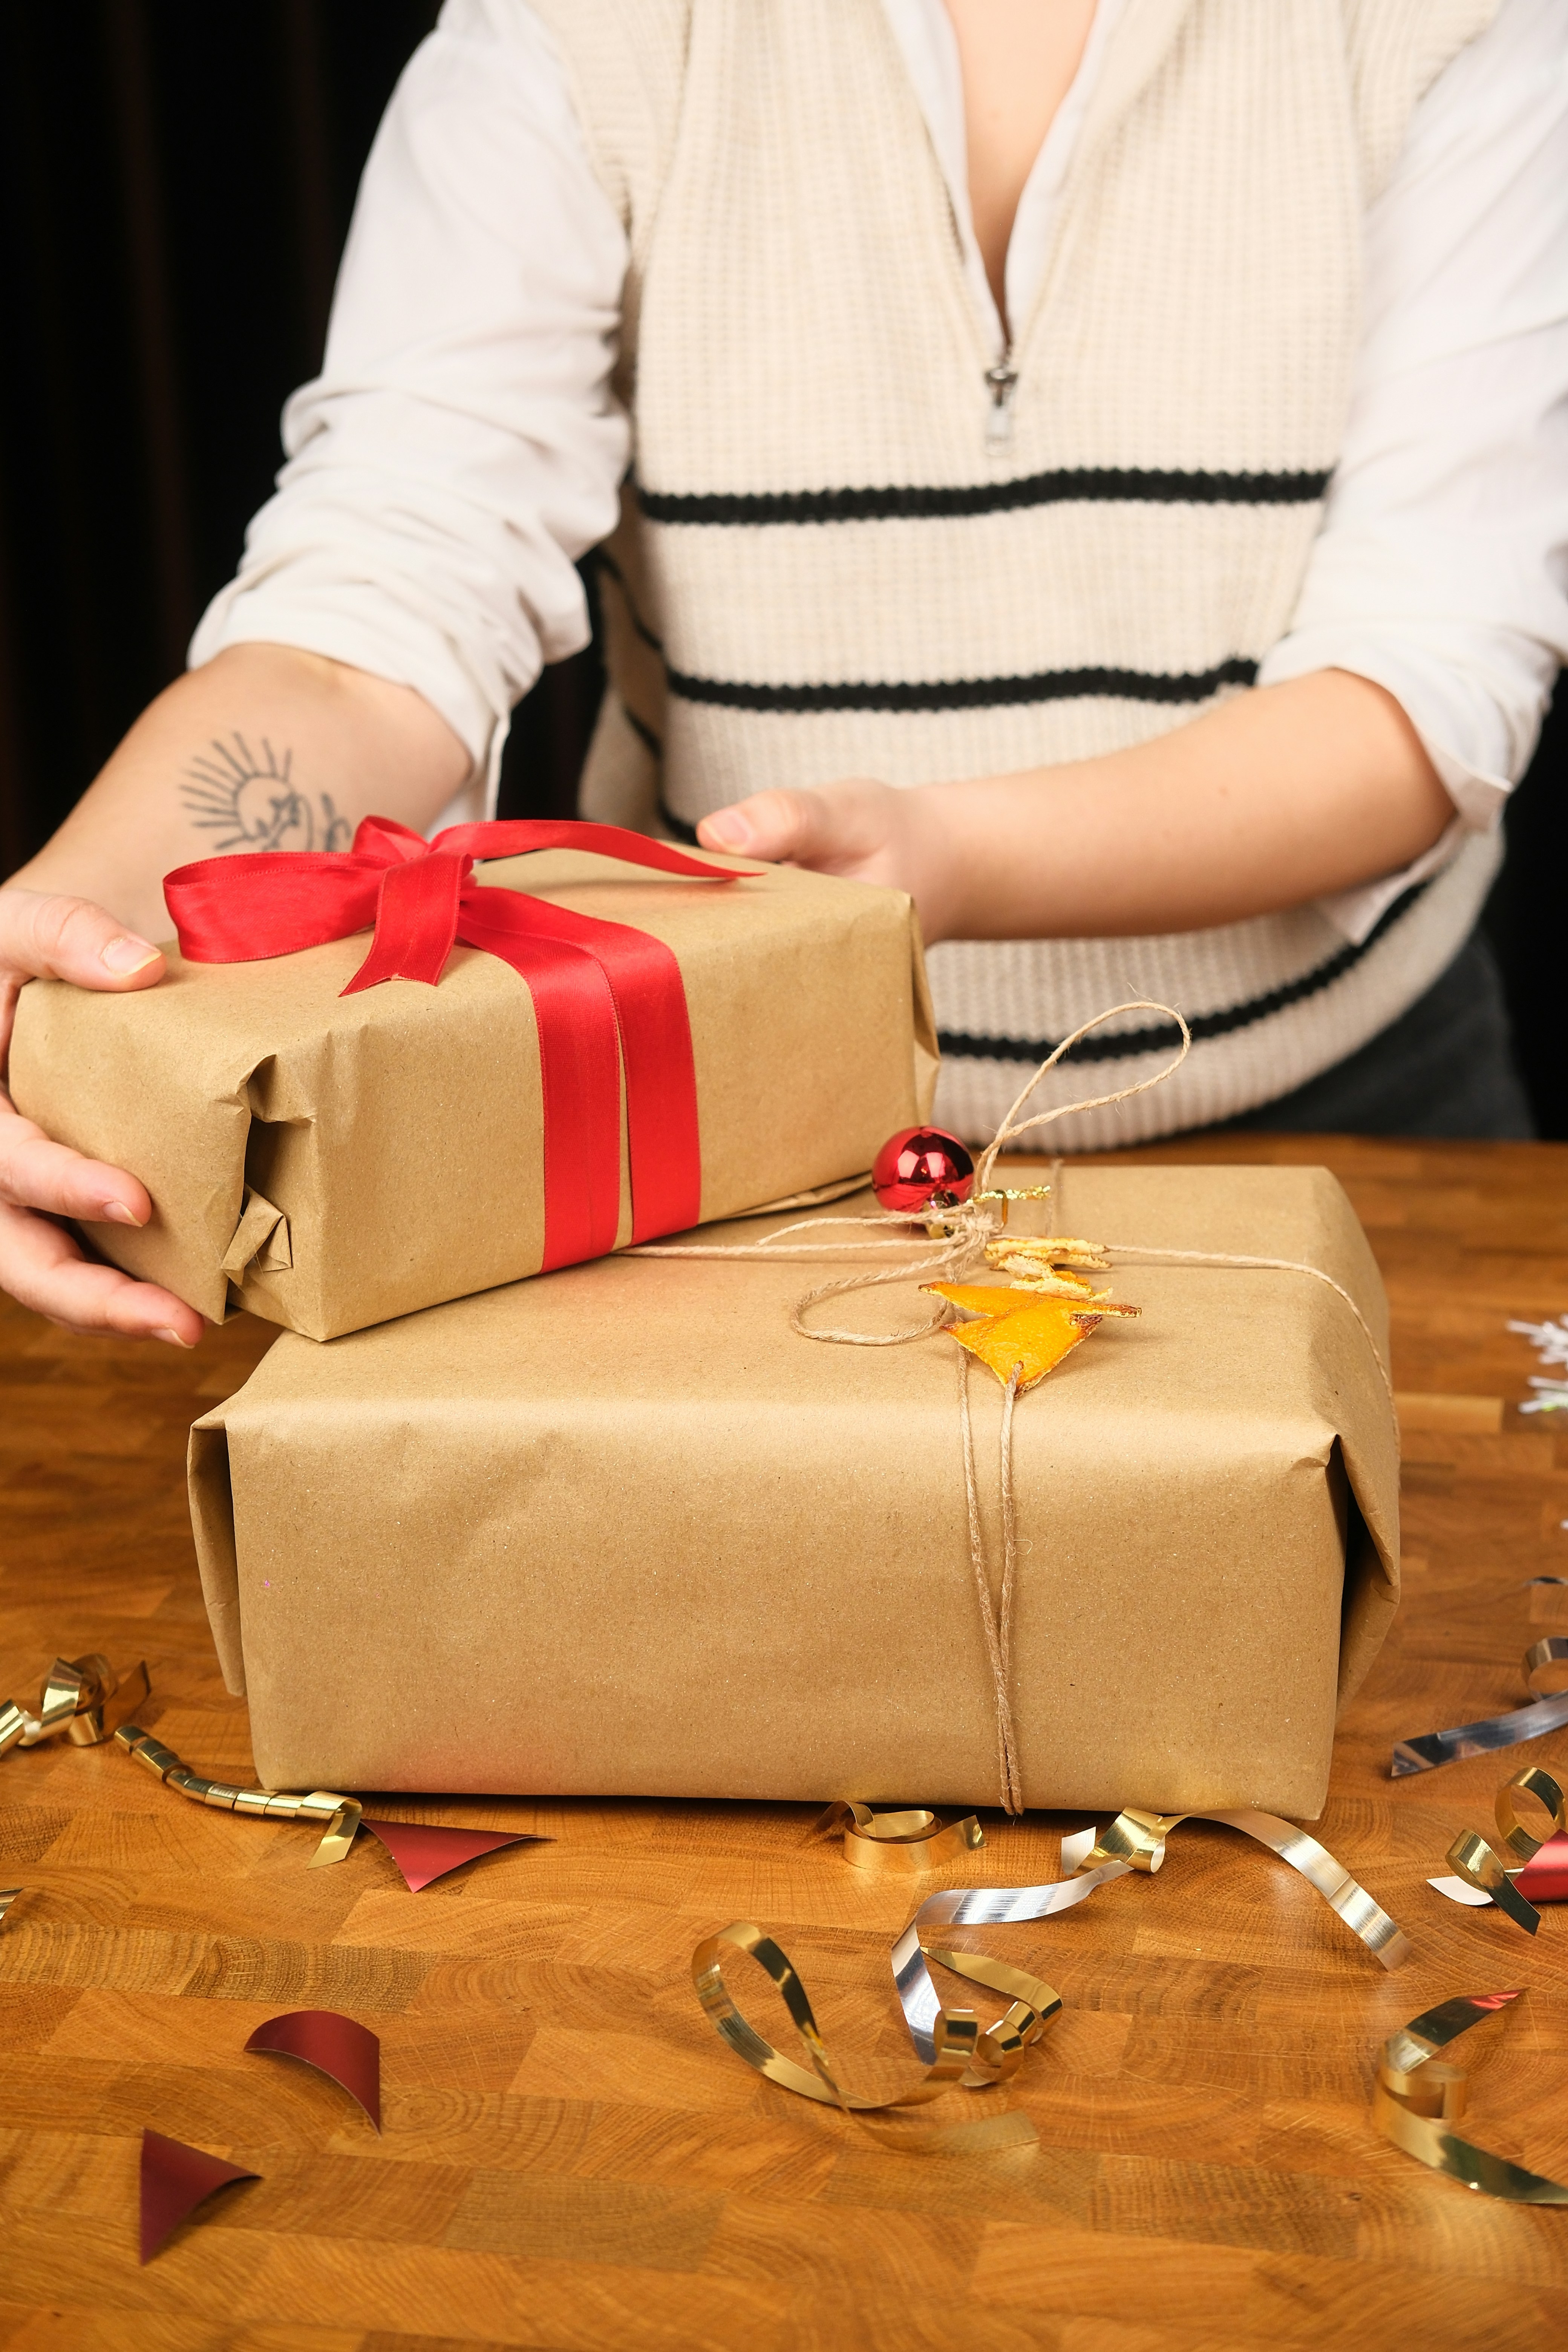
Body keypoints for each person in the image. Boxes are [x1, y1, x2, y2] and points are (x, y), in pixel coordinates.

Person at [2, 0, 1565, 1345]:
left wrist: (942, 860)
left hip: (1352, 1126)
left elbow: (1422, 694)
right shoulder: (574, 39)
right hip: (727, 1152)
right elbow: (376, 614)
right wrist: (60, 950)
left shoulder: (1456, 30)